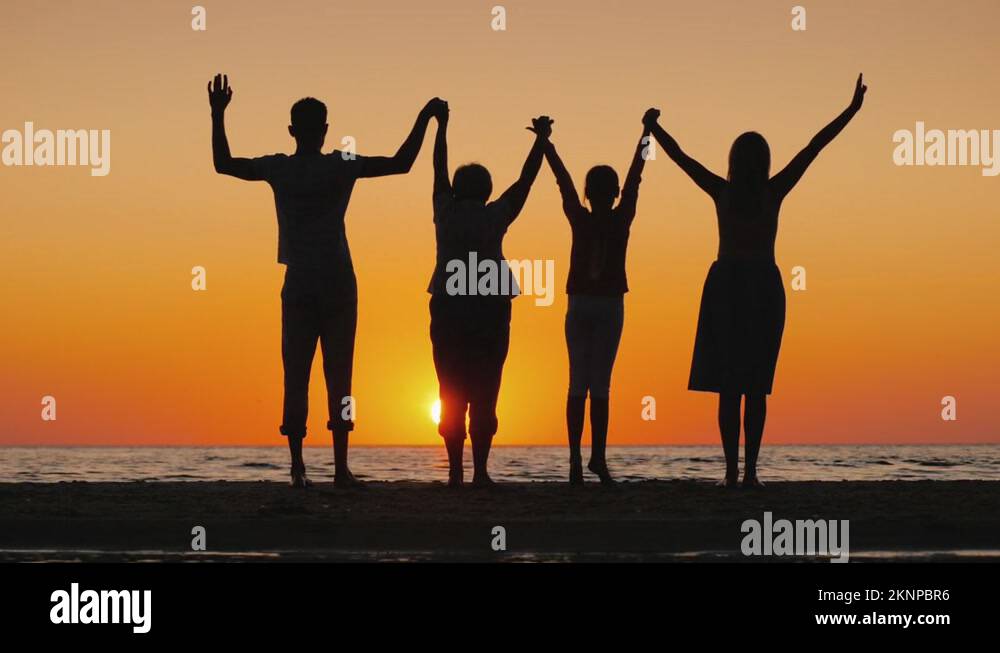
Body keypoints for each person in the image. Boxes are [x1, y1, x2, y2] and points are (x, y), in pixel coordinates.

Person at [208, 73, 442, 488]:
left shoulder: (280, 168)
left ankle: (298, 467)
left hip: (300, 282)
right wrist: (425, 118)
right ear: (325, 130)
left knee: (295, 375)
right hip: (336, 280)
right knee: (341, 377)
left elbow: (224, 164)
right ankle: (339, 467)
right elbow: (402, 163)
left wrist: (218, 115)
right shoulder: (340, 165)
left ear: (293, 130)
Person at [645, 74, 868, 487]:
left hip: (730, 284)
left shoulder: (725, 190)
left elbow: (682, 158)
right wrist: (851, 111)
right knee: (754, 386)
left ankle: (734, 472)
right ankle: (746, 473)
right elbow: (813, 147)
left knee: (732, 386)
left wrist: (654, 128)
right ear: (763, 161)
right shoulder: (771, 190)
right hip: (760, 286)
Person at [427, 100, 551, 487]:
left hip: (449, 311)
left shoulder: (445, 212)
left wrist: (441, 126)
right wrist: (542, 142)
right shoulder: (496, 215)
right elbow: (525, 182)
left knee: (450, 391)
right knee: (485, 390)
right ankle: (480, 471)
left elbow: (438, 169)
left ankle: (455, 471)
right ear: (487, 191)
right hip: (489, 313)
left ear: (457, 189)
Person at [541, 113, 652, 484]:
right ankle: (596, 460)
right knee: (600, 385)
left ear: (589, 193)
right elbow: (637, 176)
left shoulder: (580, 215)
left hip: (580, 305)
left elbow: (563, 182)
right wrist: (645, 133)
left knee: (578, 384)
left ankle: (576, 461)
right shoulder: (621, 218)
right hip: (607, 305)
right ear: (615, 193)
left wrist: (546, 142)